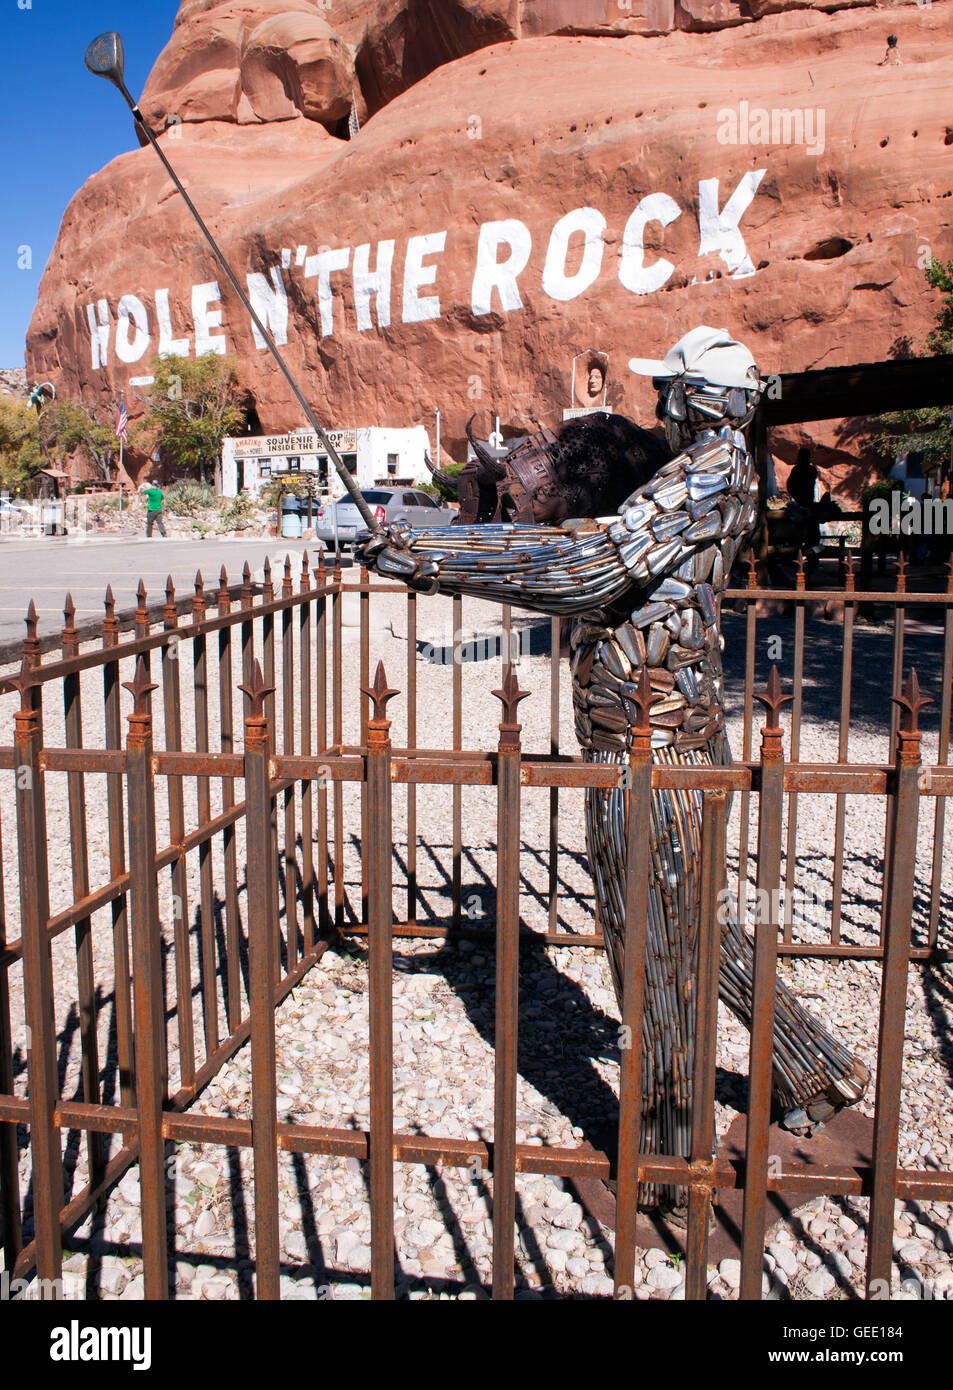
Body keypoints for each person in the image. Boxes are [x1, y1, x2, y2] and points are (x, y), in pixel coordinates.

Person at [358, 325, 869, 1218]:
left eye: (671, 390)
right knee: (690, 931)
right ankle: (812, 1071)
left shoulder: (704, 471)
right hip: (652, 738)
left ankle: (673, 1164)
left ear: (699, 401)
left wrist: (433, 557)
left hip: (654, 748)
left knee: (658, 951)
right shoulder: (710, 472)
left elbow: (592, 565)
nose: (661, 404)